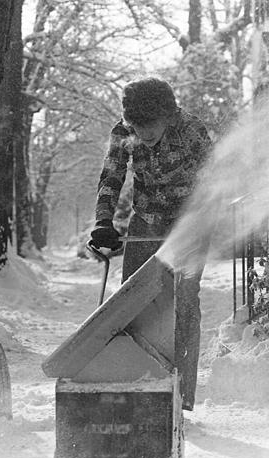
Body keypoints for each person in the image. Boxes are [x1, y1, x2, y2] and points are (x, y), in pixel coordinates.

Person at [90, 77, 213, 411]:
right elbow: (111, 176)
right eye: (138, 126)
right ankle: (138, 386)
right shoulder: (123, 131)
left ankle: (181, 397)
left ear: (168, 117)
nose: (144, 133)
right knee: (132, 302)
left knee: (184, 303)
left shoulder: (191, 131)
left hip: (189, 222)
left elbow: (213, 180)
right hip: (145, 221)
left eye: (151, 125)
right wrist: (103, 221)